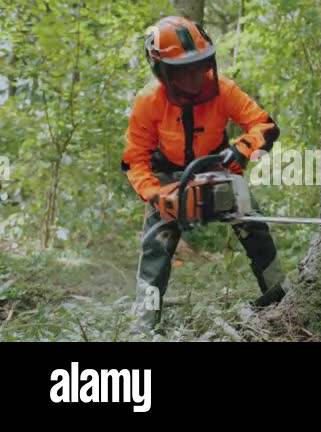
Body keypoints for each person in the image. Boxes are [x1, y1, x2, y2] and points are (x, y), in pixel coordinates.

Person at [121, 16, 286, 331]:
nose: (195, 77)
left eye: (199, 65)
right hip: (169, 178)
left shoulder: (223, 90)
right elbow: (135, 160)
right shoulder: (148, 102)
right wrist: (156, 195)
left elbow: (265, 125)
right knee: (157, 243)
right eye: (184, 70)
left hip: (216, 168)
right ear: (164, 72)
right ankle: (144, 319)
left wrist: (241, 149)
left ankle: (278, 294)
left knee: (254, 226)